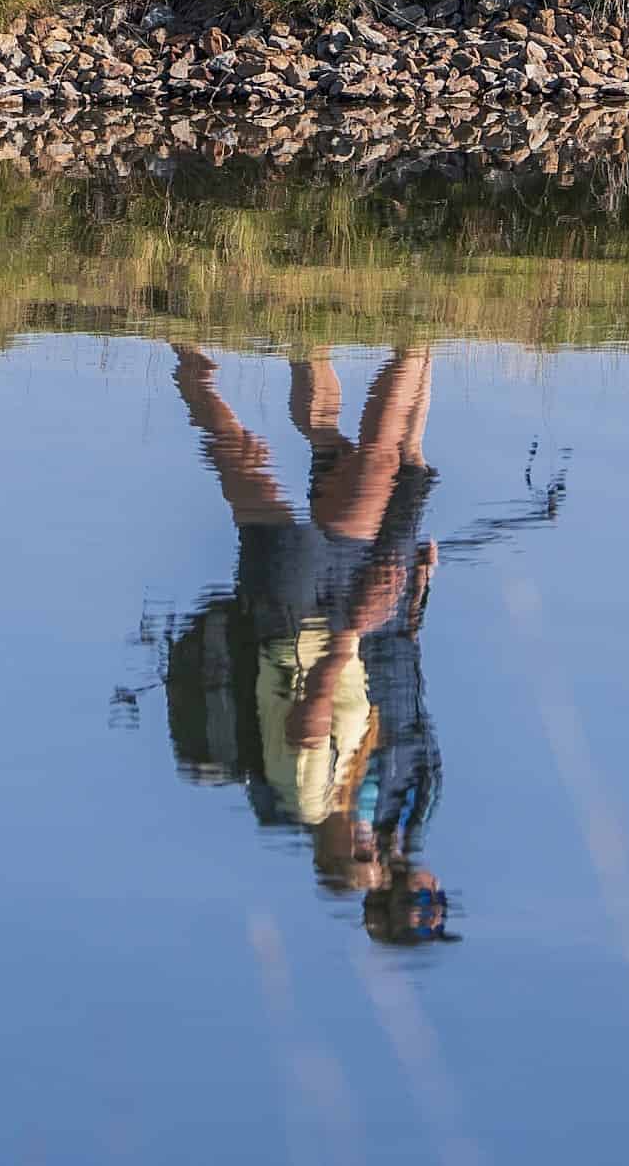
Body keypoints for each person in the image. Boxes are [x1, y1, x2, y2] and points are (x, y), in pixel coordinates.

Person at [159, 345, 453, 941]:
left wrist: (356, 626)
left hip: (305, 617)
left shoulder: (313, 800)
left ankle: (410, 339)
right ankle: (195, 363)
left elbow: (308, 722)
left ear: (338, 853)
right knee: (258, 462)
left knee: (354, 462)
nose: (375, 852)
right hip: (307, 614)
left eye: (363, 858)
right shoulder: (368, 801)